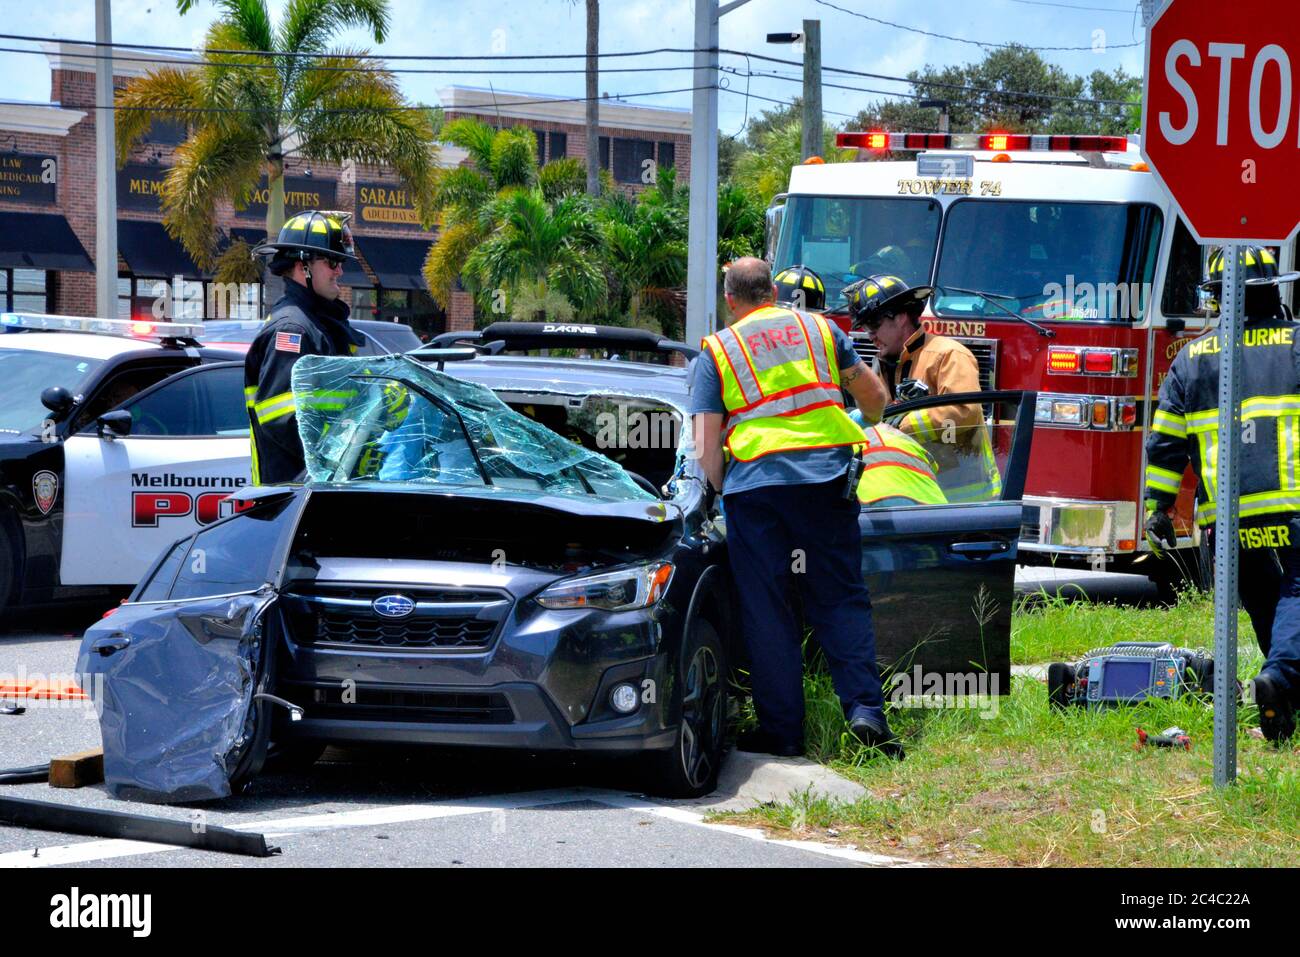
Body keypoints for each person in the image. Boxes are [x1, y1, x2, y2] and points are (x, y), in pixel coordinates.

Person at [691, 256, 902, 758]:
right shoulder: (821, 330)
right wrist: (867, 414)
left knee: (767, 611)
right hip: (825, 483)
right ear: (772, 290)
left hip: (756, 491)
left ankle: (782, 733)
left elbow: (704, 444)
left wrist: (722, 490)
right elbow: (873, 399)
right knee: (840, 598)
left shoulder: (719, 348)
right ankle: (866, 713)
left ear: (731, 300)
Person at [1145, 245, 1300, 742]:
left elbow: (1166, 439)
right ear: (1273, 290)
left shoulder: (1191, 359)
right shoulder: (1296, 344)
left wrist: (1159, 507)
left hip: (1228, 516)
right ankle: (1280, 680)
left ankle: (1282, 705)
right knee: (1296, 594)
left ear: (1217, 299)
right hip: (1293, 503)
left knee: (1262, 600)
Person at [846, 274, 1001, 502]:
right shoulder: (883, 362)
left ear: (900, 317)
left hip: (967, 496)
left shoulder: (948, 355)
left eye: (874, 326)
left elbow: (964, 411)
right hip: (921, 489)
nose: (871, 337)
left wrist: (901, 424)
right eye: (866, 329)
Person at [245, 210, 366, 485]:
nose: (340, 270)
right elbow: (280, 416)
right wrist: (337, 455)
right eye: (332, 261)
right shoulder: (292, 330)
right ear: (303, 266)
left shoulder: (321, 324)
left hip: (324, 488)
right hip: (296, 492)